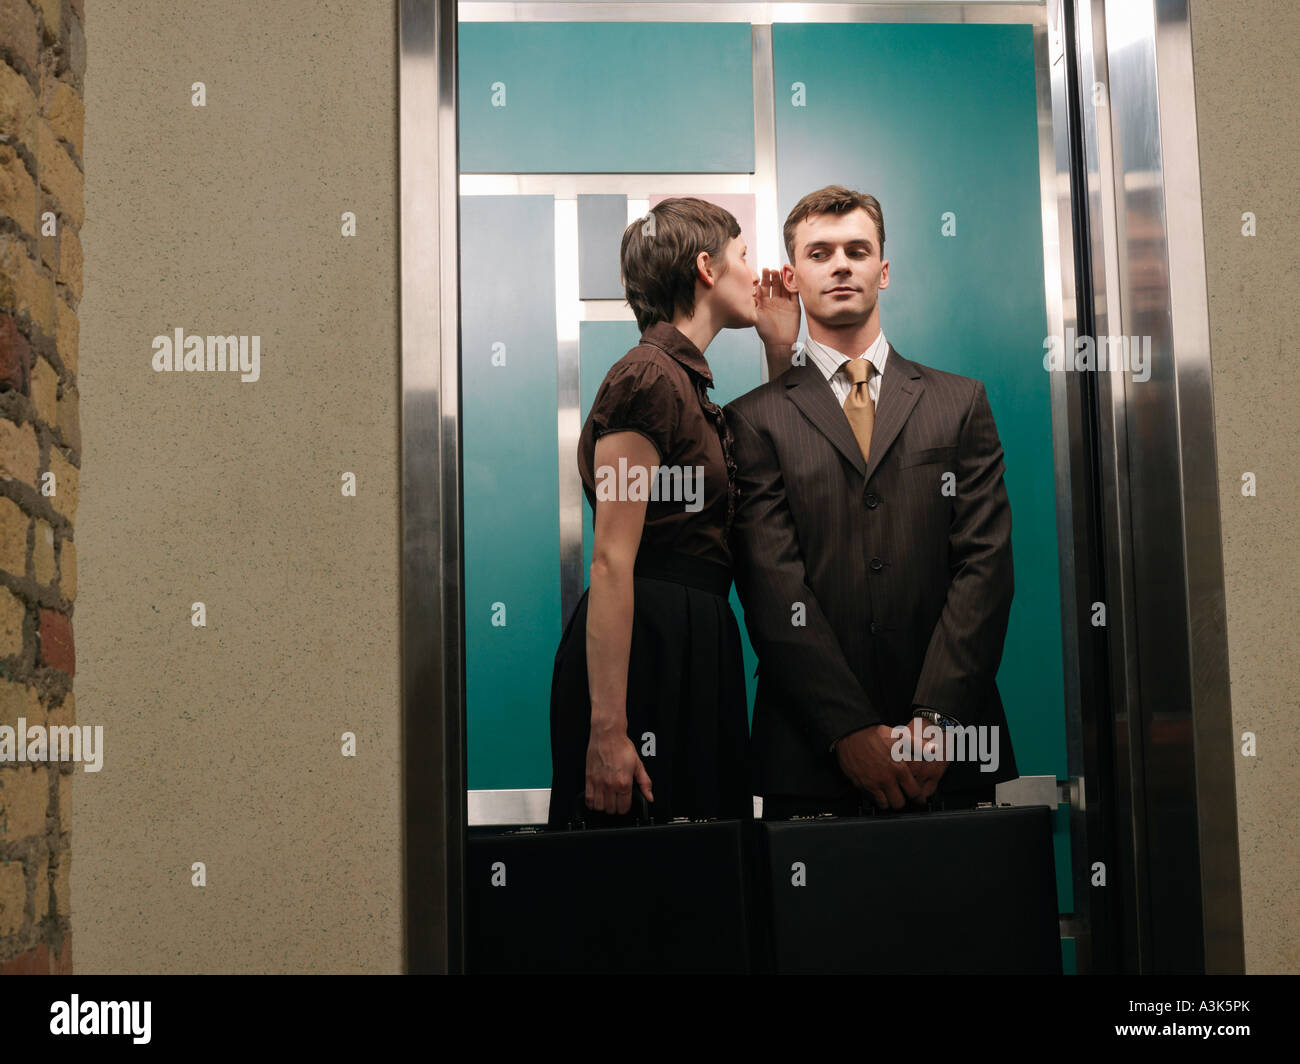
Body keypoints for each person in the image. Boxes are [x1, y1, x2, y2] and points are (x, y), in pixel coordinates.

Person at [724, 185, 1020, 820]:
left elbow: (986, 567)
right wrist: (848, 730)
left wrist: (937, 719)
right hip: (810, 754)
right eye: (819, 252)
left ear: (883, 271)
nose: (840, 265)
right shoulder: (753, 420)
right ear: (794, 275)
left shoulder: (960, 401)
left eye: (858, 251)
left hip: (951, 752)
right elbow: (773, 585)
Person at [546, 197, 792, 830]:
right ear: (707, 268)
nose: (754, 270)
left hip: (695, 643)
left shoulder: (686, 386)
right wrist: (609, 731)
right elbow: (609, 561)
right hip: (650, 652)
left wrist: (780, 350)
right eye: (744, 254)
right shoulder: (647, 378)